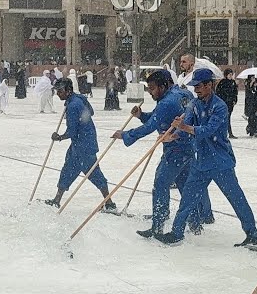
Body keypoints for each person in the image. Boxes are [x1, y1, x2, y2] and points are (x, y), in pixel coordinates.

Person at [153, 68, 257, 247]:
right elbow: (186, 127)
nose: (196, 90)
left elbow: (207, 130)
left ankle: (253, 233)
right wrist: (173, 136)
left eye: (199, 86)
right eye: (194, 87)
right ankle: (176, 233)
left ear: (209, 85)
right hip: (201, 161)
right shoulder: (194, 104)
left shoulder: (220, 107)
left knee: (236, 198)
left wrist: (184, 127)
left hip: (220, 161)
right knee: (187, 198)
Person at [120, 70, 213, 238]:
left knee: (161, 184)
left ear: (163, 86)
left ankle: (158, 225)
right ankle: (195, 224)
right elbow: (161, 117)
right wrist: (141, 115)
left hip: (175, 150)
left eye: (152, 88)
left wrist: (126, 135)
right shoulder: (184, 93)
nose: (150, 92)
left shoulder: (166, 102)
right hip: (189, 148)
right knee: (185, 188)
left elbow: (151, 126)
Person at [44, 78, 117, 212]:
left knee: (93, 172)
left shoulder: (73, 106)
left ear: (68, 90)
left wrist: (59, 137)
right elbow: (91, 112)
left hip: (84, 145)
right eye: (57, 91)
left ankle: (109, 203)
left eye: (60, 91)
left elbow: (72, 131)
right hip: (82, 142)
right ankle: (57, 200)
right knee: (68, 169)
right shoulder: (79, 99)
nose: (58, 94)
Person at [216, 69, 239, 138]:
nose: (230, 76)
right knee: (225, 118)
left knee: (227, 118)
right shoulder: (222, 82)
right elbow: (218, 93)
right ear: (226, 75)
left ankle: (228, 132)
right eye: (229, 74)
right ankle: (227, 132)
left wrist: (234, 100)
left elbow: (235, 93)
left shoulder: (233, 82)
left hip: (230, 103)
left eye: (231, 74)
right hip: (224, 103)